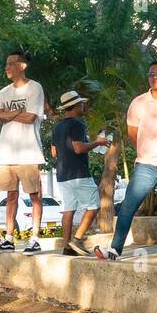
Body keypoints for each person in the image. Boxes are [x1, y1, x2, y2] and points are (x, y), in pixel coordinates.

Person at [96, 58, 157, 262]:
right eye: (151, 74)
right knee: (128, 207)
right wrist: (146, 151)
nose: (155, 77)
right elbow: (133, 133)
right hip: (146, 165)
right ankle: (115, 249)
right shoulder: (138, 102)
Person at [0, 51, 46, 253]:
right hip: (7, 154)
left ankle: (34, 237)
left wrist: (9, 114)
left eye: (12, 63)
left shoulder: (35, 88)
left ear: (22, 66)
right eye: (6, 63)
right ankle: (8, 238)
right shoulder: (4, 92)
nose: (7, 67)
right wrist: (16, 113)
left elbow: (31, 117)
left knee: (34, 196)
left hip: (29, 153)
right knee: (11, 196)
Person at [50, 91, 110, 256]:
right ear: (75, 106)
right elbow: (78, 148)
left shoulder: (58, 126)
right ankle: (77, 239)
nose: (83, 106)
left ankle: (67, 247)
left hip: (63, 174)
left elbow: (54, 152)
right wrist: (98, 142)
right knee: (94, 206)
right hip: (79, 172)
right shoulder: (77, 124)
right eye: (81, 104)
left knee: (68, 210)